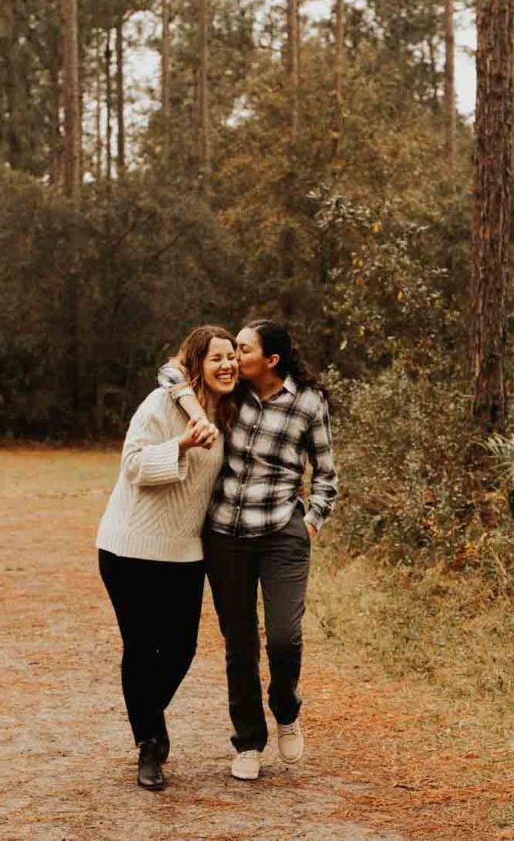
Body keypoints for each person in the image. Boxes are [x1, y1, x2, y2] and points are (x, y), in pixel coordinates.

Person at [159, 319, 339, 781]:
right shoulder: (229, 392)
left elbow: (326, 474)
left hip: (282, 534)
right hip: (225, 537)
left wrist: (310, 523)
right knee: (239, 645)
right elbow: (171, 372)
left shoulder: (307, 402)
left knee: (283, 638)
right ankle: (248, 743)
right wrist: (194, 410)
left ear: (271, 360)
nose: (233, 358)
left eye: (243, 349)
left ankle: (286, 709)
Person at [96, 325, 237, 791]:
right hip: (129, 548)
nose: (227, 365)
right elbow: (134, 465)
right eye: (216, 357)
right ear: (197, 363)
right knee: (141, 647)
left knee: (181, 648)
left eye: (232, 357)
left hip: (185, 550)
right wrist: (182, 444)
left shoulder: (226, 411)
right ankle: (150, 744)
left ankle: (146, 717)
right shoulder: (160, 405)